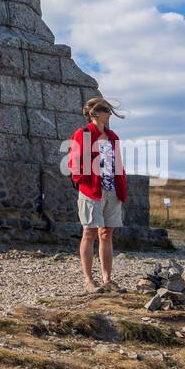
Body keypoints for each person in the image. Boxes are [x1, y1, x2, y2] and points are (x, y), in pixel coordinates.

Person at [69, 95, 127, 293]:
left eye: (109, 109)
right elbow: (74, 164)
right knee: (89, 232)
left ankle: (107, 279)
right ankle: (88, 280)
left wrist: (121, 188)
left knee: (106, 234)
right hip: (91, 191)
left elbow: (118, 164)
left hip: (112, 190)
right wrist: (84, 182)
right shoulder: (83, 133)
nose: (109, 113)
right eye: (106, 109)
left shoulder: (113, 137)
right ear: (95, 112)